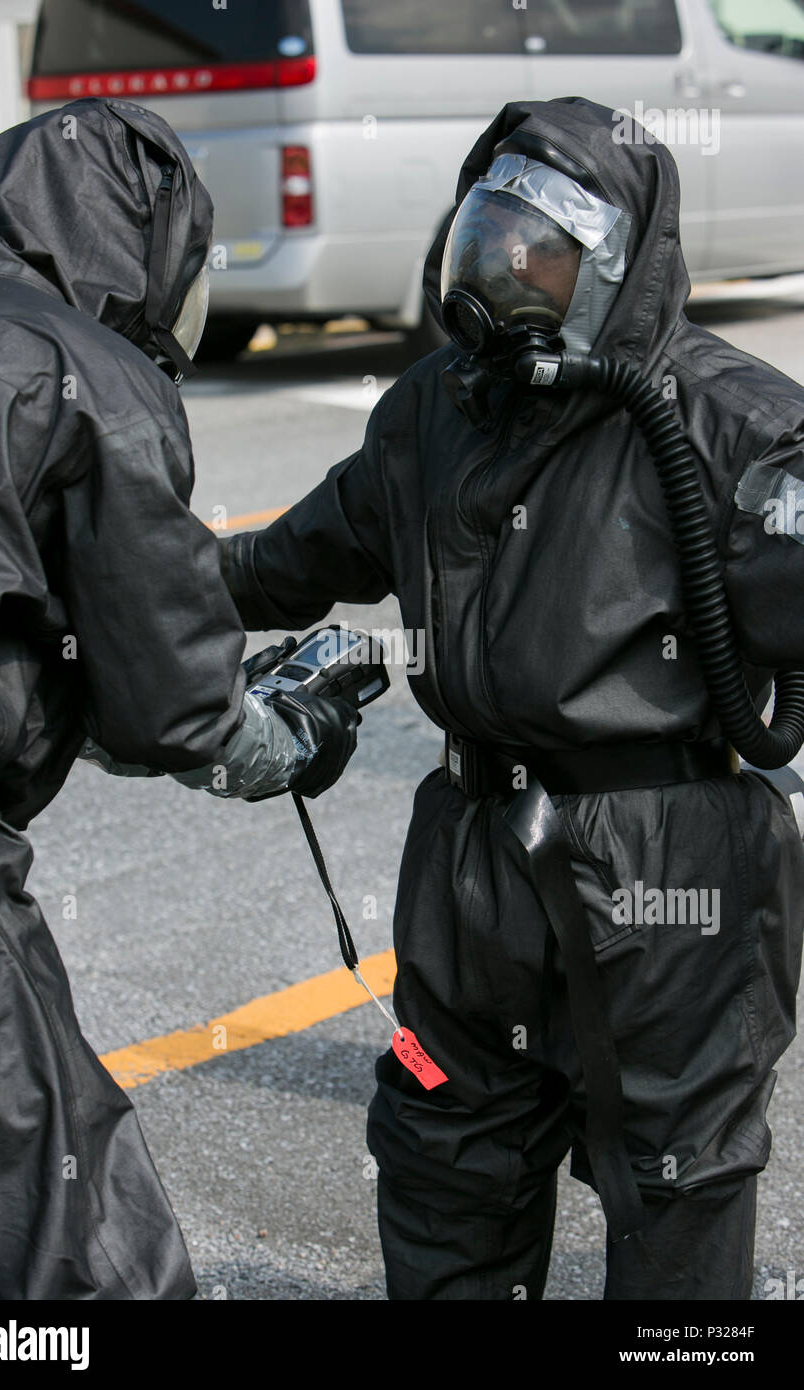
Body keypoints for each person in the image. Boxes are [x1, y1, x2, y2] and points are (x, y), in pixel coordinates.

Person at [222, 97, 804, 1300]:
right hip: (471, 860)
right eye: (488, 239)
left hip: (666, 874)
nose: (502, 273)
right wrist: (97, 580)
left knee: (676, 1193)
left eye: (537, 252)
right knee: (443, 1165)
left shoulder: (727, 424)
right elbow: (282, 562)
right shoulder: (434, 409)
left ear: (608, 272)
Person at [0, 97, 358, 1300]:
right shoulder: (80, 369)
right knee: (73, 1242)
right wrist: (288, 730)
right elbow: (171, 705)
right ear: (139, 252)